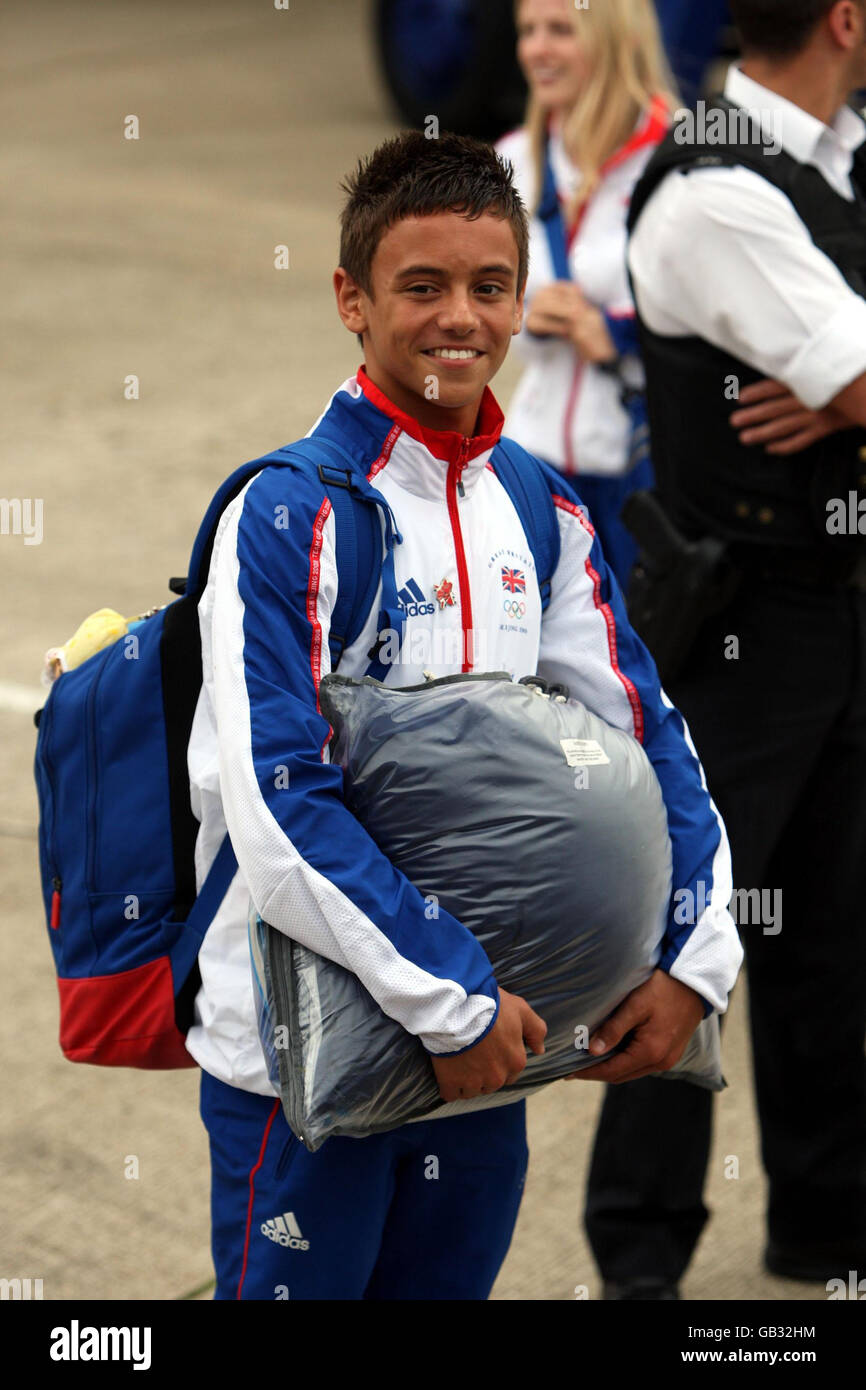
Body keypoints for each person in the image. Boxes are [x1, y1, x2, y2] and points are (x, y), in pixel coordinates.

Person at [186, 129, 742, 1300]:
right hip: (306, 1064)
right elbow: (280, 802)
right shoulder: (286, 515)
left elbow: (647, 736)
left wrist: (693, 955)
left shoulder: (539, 508)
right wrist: (453, 998)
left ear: (521, 297)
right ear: (351, 297)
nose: (460, 319)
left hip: (489, 1061)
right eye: (420, 286)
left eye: (489, 288)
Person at [584, 0, 866, 1299]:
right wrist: (845, 383)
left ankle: (821, 1221)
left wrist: (845, 381)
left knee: (830, 936)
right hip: (736, 635)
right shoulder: (712, 191)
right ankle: (640, 1260)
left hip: (840, 611)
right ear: (845, 19)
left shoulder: (838, 151)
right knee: (682, 950)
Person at [495, 0, 677, 588]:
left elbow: (720, 326)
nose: (536, 50)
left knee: (635, 662)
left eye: (560, 30)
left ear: (612, 38)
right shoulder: (512, 160)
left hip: (638, 469)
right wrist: (517, 312)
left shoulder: (676, 159)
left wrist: (620, 334)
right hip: (533, 461)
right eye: (527, 31)